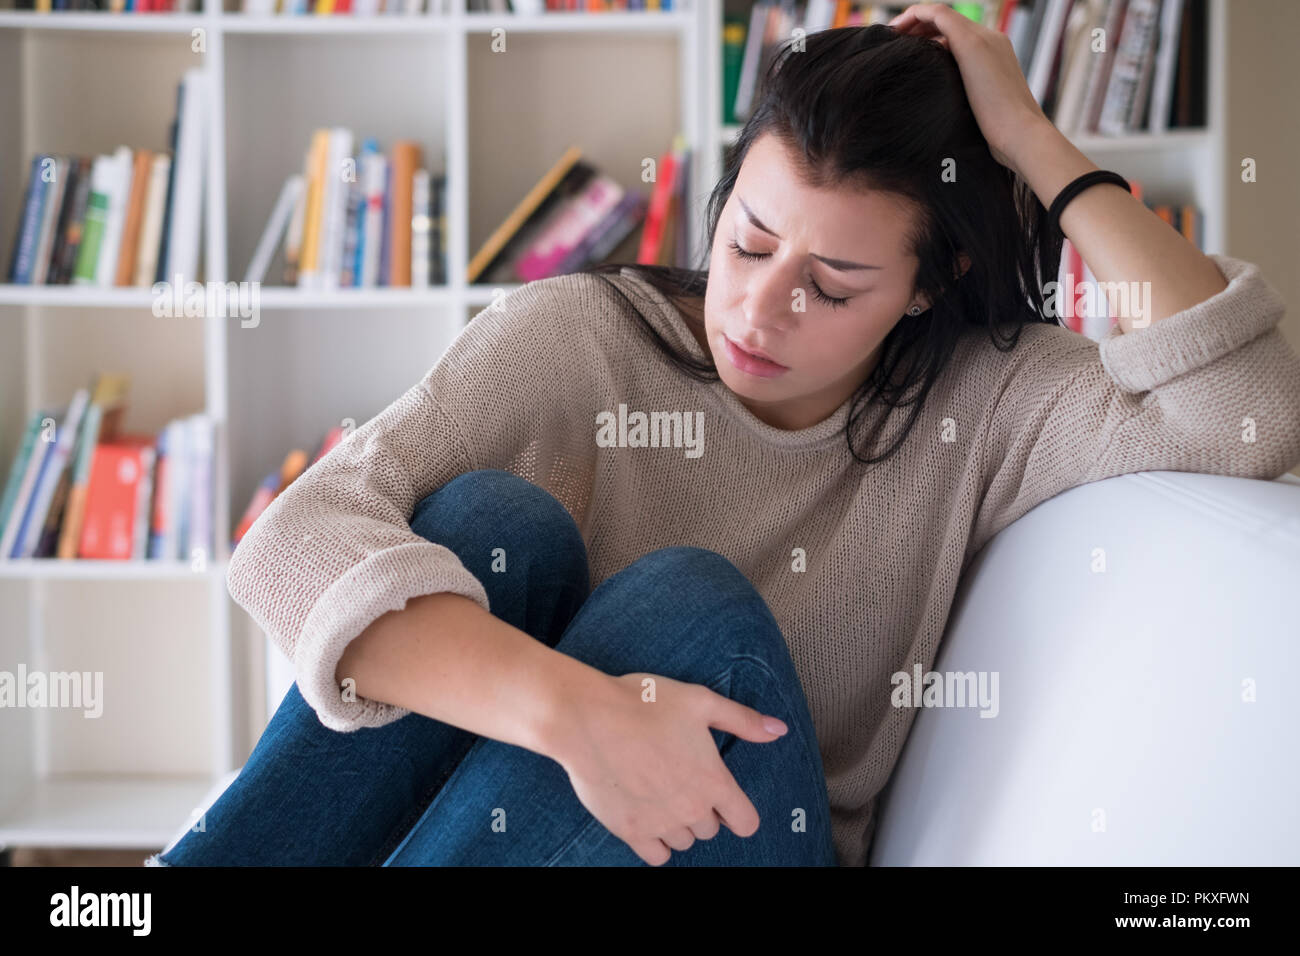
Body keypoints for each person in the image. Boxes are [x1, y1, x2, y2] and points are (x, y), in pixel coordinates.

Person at [148, 6, 1300, 868]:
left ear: (925, 282)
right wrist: (580, 715)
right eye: (748, 243)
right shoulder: (585, 339)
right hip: (549, 819)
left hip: (756, 838)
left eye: (830, 283)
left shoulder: (987, 400)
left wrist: (1036, 143)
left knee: (685, 606)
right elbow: (293, 536)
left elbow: (1247, 418)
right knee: (494, 524)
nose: (755, 310)